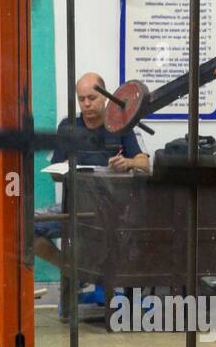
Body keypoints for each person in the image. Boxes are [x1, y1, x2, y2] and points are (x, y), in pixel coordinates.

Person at [35, 72, 149, 273]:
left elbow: (145, 165)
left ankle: (97, 277)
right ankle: (71, 269)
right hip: (76, 206)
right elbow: (54, 172)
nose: (86, 104)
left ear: (105, 97)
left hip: (116, 209)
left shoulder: (122, 124)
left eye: (92, 98)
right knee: (26, 227)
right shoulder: (68, 126)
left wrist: (128, 162)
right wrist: (64, 168)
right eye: (81, 99)